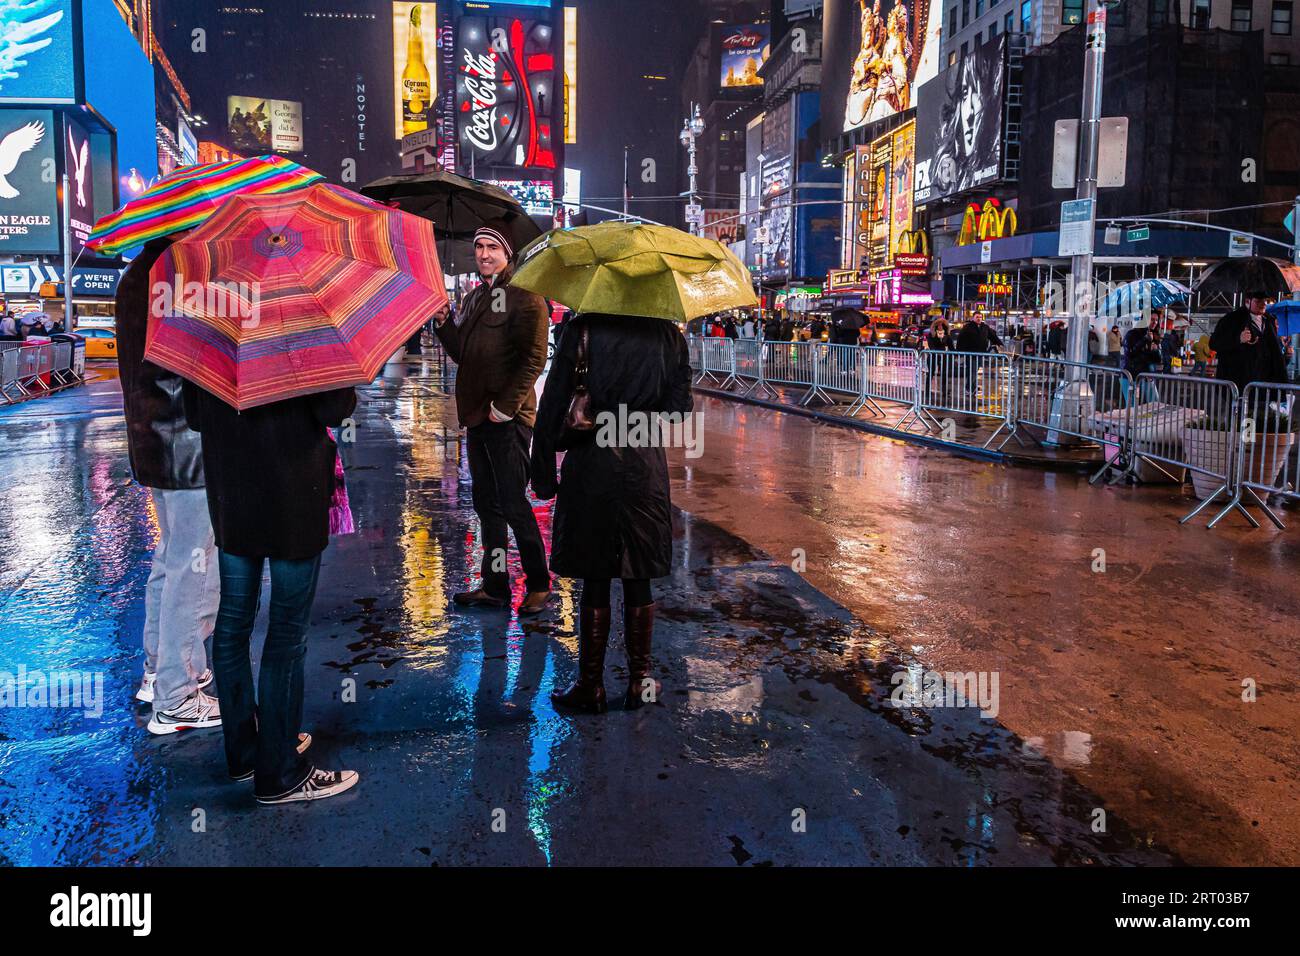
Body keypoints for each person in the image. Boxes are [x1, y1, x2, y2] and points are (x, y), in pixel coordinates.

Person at [183, 378, 359, 804]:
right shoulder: (300, 325)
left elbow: (194, 416)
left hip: (231, 493)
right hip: (292, 493)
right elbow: (334, 408)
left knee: (234, 623)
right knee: (286, 632)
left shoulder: (209, 321)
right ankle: (280, 770)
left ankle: (245, 750)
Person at [531, 313, 693, 713]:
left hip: (592, 462)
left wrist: (543, 474)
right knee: (638, 574)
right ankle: (640, 683)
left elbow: (552, 404)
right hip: (643, 463)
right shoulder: (668, 335)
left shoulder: (582, 330)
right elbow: (678, 410)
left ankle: (591, 686)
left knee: (597, 574)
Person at [117, 236, 221, 736]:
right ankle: (178, 696)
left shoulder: (139, 270)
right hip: (189, 442)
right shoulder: (185, 270)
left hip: (155, 441)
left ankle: (160, 673)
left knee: (171, 557)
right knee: (194, 567)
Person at [433, 221, 551, 615]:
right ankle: (495, 585)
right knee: (487, 506)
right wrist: (444, 321)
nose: (483, 254)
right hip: (478, 417)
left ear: (507, 253)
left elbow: (534, 359)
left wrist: (506, 407)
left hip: (508, 419)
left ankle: (539, 583)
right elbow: (463, 353)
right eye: (479, 246)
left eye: (492, 248)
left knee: (513, 503)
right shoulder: (477, 297)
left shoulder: (525, 295)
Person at [1210, 290, 1288, 396]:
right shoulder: (1231, 319)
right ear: (1247, 301)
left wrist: (1285, 353)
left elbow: (1273, 350)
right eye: (1259, 301)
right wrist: (1238, 339)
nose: (1263, 304)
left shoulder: (1269, 321)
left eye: (1265, 301)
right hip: (1239, 382)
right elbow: (1214, 343)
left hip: (1264, 384)